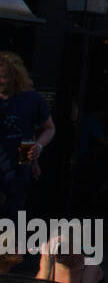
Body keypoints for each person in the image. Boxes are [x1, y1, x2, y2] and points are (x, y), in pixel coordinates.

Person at [0, 52, 55, 235]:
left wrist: (37, 149)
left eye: (3, 77)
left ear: (15, 77)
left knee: (11, 216)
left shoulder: (31, 99)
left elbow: (48, 128)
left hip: (17, 165)